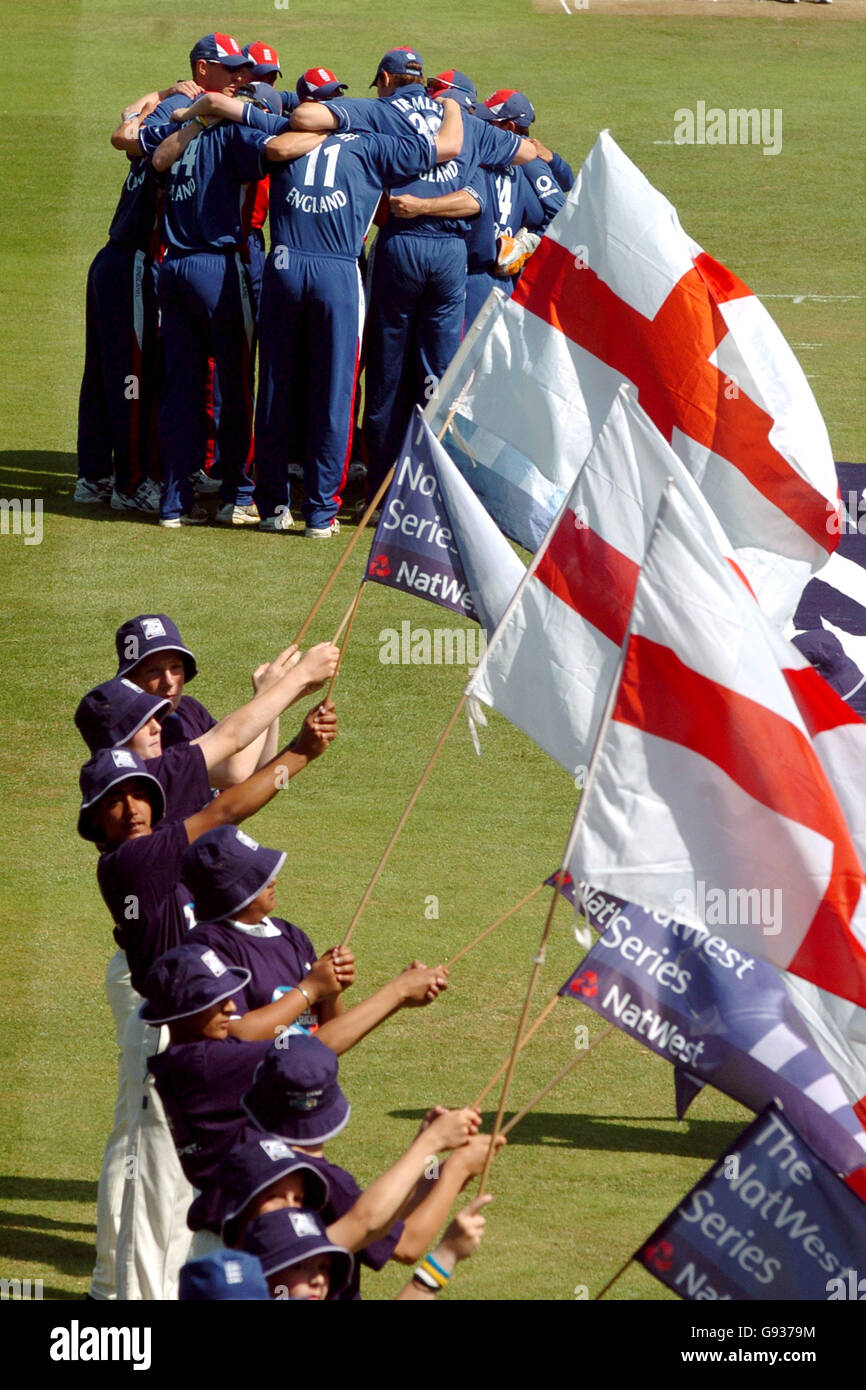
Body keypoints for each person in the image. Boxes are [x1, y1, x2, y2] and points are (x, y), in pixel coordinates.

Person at [78, 690, 337, 1300]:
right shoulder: (131, 862)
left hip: (198, 1029)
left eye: (139, 792)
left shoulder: (156, 846)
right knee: (156, 1183)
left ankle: (132, 1290)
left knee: (176, 1179)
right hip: (170, 1035)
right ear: (96, 823)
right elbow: (224, 813)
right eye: (114, 802)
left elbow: (224, 817)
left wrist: (297, 754)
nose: (132, 808)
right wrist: (301, 752)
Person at [173, 73, 463, 538]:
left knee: (274, 390)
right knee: (335, 394)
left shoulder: (285, 132)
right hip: (337, 271)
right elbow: (447, 147)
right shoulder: (374, 146)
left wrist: (189, 110)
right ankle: (322, 514)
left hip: (284, 263)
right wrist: (448, 104)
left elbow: (228, 110)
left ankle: (271, 507)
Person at [241, 1036, 499, 1298]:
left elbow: (386, 1219)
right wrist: (456, 1168)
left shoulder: (250, 1153)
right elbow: (406, 1242)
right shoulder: (322, 1182)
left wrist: (431, 1160)